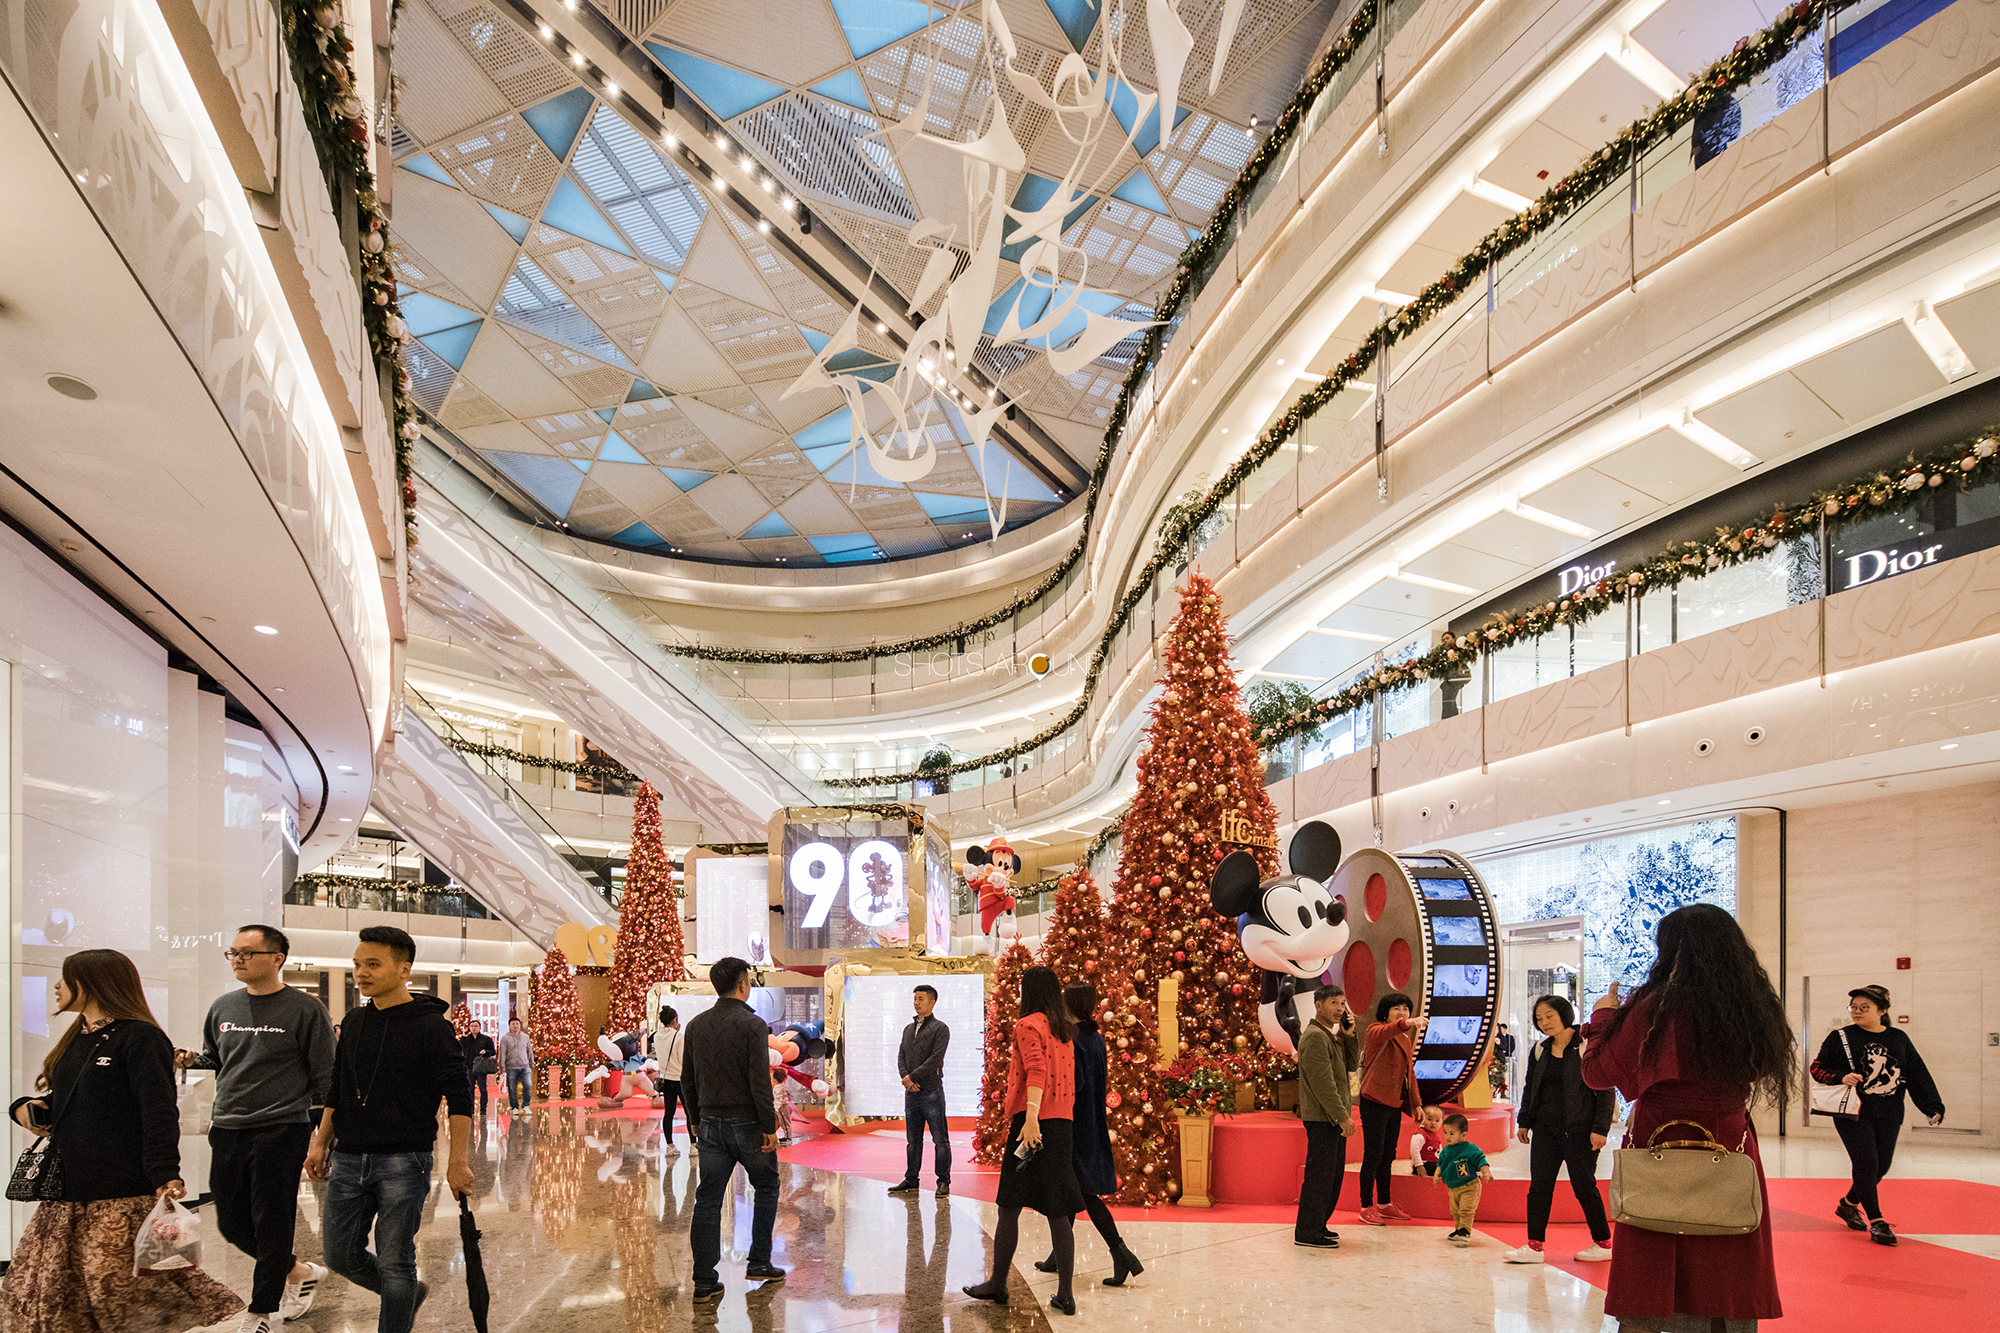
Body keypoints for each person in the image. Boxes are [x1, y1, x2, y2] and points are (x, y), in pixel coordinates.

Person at [3, 949, 244, 1333]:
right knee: (59, 1289)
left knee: (117, 1290)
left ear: (94, 984)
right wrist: (23, 1107)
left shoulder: (140, 1037)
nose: (57, 985)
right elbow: (65, 1098)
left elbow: (158, 1111)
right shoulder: (76, 1038)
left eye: (66, 977)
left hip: (119, 1189)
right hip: (68, 1191)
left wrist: (167, 1172)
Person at [1581, 904, 1793, 1332]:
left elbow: (1597, 1073)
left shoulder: (1655, 1007)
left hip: (1659, 1142)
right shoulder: (1752, 1006)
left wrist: (1603, 1017)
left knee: (1653, 1243)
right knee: (1728, 1246)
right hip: (1729, 1142)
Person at [306, 926, 475, 1333]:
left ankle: (397, 1310)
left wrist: (458, 1163)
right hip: (348, 1157)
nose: (361, 973)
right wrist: (320, 1142)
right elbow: (338, 1086)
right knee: (339, 1255)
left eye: (373, 965)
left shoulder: (431, 1026)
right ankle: (407, 1295)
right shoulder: (355, 1020)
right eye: (357, 965)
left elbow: (460, 1094)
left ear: (404, 970)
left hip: (404, 1158)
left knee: (396, 1261)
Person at [173, 925, 335, 1331]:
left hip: (281, 1127)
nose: (238, 959)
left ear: (277, 959)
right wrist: (192, 1059)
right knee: (230, 1223)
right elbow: (216, 1058)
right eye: (233, 952)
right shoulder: (224, 1006)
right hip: (227, 1125)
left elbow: (326, 1078)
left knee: (272, 1220)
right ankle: (298, 1271)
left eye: (248, 952)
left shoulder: (305, 1008)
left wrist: (321, 1137)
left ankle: (261, 1312)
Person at [963, 965, 1087, 1317]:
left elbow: (1036, 1069)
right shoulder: (1064, 1030)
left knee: (1009, 1204)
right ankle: (1065, 1294)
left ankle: (998, 1282)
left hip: (1032, 1123)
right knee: (1058, 1209)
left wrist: (1031, 1118)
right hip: (1062, 1123)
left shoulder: (1027, 1025)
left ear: (1028, 991)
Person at [683, 956, 785, 1305]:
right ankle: (759, 1261)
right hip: (747, 1124)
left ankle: (703, 1281)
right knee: (767, 1186)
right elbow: (759, 1081)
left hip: (709, 1123)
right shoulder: (752, 1025)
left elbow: (687, 1079)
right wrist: (769, 1125)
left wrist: (695, 1120)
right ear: (743, 984)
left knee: (708, 1200)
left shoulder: (696, 1025)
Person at [1810, 984, 1945, 1246]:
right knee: (1867, 1164)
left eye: (1864, 1008)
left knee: (1881, 1166)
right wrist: (1841, 1076)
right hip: (1854, 1113)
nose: (1856, 1012)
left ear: (1882, 1011)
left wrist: (1933, 1106)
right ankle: (1878, 1222)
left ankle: (1848, 1205)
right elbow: (1817, 1068)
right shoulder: (1841, 1037)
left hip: (1890, 1112)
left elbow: (1917, 1074)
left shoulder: (1899, 1038)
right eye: (1853, 1007)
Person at [1034, 983, 1144, 1282]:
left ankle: (1121, 1253)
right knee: (1074, 1188)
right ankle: (1058, 1255)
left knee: (1082, 1192)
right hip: (1093, 1120)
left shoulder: (1072, 1040)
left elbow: (1076, 1084)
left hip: (1074, 1122)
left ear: (1070, 1006)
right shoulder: (1095, 1038)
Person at [1504, 994, 1616, 1264]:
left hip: (1581, 1130)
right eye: (1539, 1019)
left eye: (1549, 1016)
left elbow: (1605, 1090)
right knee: (1539, 1187)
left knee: (1584, 1186)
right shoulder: (1540, 1049)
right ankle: (1534, 1246)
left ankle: (1603, 1243)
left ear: (1565, 1014)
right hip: (1545, 1130)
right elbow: (1531, 1087)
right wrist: (1525, 1121)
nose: (1544, 1023)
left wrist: (1600, 1129)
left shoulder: (1588, 1045)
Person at [1295, 982, 1361, 1250]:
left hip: (1332, 1117)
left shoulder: (1330, 1035)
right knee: (1320, 1176)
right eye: (1334, 1003)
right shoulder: (1314, 1036)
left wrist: (1349, 1035)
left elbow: (1349, 1066)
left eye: (1342, 1003)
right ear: (1318, 1005)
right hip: (1324, 1118)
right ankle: (1307, 1231)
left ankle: (1318, 1224)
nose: (1340, 1008)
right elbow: (1323, 1083)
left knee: (1331, 1176)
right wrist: (1342, 1116)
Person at [1357, 990, 1425, 1224]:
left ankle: (1384, 1203)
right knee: (1373, 1155)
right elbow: (1389, 1030)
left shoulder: (1405, 1039)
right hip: (1374, 1099)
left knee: (1388, 1156)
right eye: (1396, 1008)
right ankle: (1366, 1206)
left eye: (1405, 1008)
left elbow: (1410, 1073)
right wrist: (1407, 1023)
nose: (1402, 1012)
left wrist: (1416, 1104)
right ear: (1385, 1013)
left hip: (1393, 1103)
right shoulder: (1375, 1031)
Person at [889, 983, 952, 1197]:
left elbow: (935, 1058)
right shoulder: (908, 1029)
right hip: (911, 1094)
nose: (916, 1003)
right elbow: (901, 1056)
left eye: (921, 999)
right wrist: (905, 1078)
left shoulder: (940, 1029)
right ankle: (911, 1179)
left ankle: (943, 1181)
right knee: (912, 1140)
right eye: (915, 998)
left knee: (940, 1140)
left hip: (931, 1091)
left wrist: (912, 1077)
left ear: (932, 1002)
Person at [1437, 1113, 1491, 1247]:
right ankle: (1458, 1229)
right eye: (1445, 1133)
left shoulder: (1470, 1149)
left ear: (1463, 1134)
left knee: (1466, 1209)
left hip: (1469, 1185)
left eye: (1452, 1133)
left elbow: (1480, 1159)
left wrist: (1486, 1172)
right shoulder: (1446, 1150)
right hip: (1453, 1187)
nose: (1447, 1136)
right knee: (1455, 1210)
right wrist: (1436, 1174)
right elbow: (1440, 1162)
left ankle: (1465, 1232)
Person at [655, 1005, 685, 1155]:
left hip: (665, 1079)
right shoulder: (679, 1036)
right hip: (680, 1079)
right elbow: (682, 1059)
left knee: (669, 1113)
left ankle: (670, 1145)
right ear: (675, 1020)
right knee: (689, 1112)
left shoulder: (657, 1036)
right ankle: (693, 1144)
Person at [460, 1019, 497, 1117]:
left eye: (476, 1026)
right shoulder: (466, 1039)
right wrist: (463, 1038)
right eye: (472, 1026)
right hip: (469, 1067)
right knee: (470, 1089)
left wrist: (486, 1052)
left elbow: (493, 1051)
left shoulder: (486, 1039)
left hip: (481, 1067)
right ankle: (471, 1109)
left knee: (483, 1089)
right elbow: (459, 1049)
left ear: (480, 1028)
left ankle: (483, 1110)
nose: (474, 1028)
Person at [499, 1016, 534, 1113]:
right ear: (509, 1026)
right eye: (513, 1024)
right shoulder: (505, 1038)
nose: (515, 1026)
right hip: (511, 1066)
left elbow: (529, 1051)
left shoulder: (526, 1037)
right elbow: (503, 1053)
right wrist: (502, 1067)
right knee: (512, 1088)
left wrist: (532, 1062)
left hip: (525, 1065)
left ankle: (526, 1105)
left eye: (517, 1024)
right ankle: (514, 1107)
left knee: (528, 1085)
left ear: (520, 1025)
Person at [1410, 1105, 1445, 1176]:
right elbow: (1414, 1150)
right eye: (1429, 1119)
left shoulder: (1434, 1134)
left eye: (1437, 1120)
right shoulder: (1420, 1135)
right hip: (1423, 1164)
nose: (1433, 1123)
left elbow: (1439, 1151)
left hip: (1433, 1162)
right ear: (1422, 1119)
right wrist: (1419, 1165)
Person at [1494, 1023, 1517, 1099]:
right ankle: (1493, 1092)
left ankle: (1502, 1093)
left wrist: (1499, 1043)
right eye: (1495, 1029)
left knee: (1501, 1076)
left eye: (1497, 1029)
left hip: (1500, 1059)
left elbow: (1505, 1047)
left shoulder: (1502, 1038)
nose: (1496, 1030)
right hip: (1492, 1058)